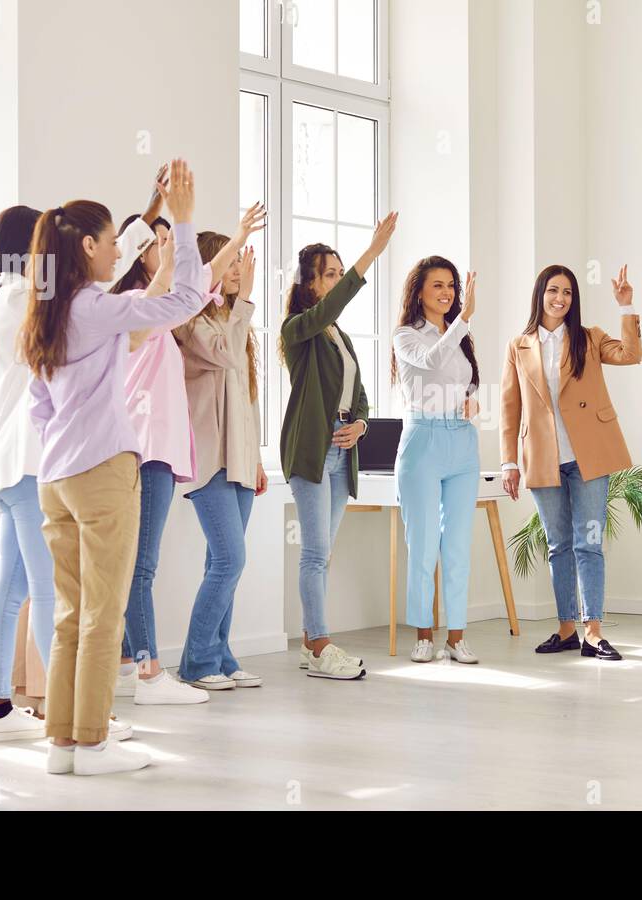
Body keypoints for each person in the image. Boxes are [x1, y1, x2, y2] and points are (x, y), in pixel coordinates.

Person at [23, 159, 205, 775]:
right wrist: (183, 223)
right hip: (101, 471)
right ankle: (94, 745)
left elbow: (39, 409)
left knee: (72, 614)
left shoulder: (45, 314)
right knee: (104, 613)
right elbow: (186, 297)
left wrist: (153, 208)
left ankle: (63, 745)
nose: (119, 252)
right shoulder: (96, 306)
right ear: (89, 247)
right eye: (111, 242)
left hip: (56, 478)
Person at [500, 264, 641, 661]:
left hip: (588, 456)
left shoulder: (589, 338)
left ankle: (592, 631)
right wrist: (509, 461)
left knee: (589, 544)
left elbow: (631, 354)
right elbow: (509, 409)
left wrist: (626, 306)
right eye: (553, 291)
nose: (560, 299)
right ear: (540, 294)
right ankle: (565, 629)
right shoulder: (519, 345)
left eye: (567, 293)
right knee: (558, 545)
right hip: (543, 458)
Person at [279, 214, 398, 679]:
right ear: (309, 283)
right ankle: (323, 644)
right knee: (313, 553)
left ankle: (312, 643)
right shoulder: (299, 327)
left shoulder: (339, 337)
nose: (336, 280)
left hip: (339, 451)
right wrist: (371, 256)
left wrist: (362, 426)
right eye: (329, 273)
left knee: (322, 553)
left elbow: (359, 392)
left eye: (339, 272)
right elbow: (327, 311)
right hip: (309, 452)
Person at [172, 229, 269, 690]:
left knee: (221, 561)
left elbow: (247, 400)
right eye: (229, 262)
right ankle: (195, 662)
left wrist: (256, 460)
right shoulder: (190, 320)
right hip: (208, 458)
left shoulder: (234, 320)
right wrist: (245, 303)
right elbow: (223, 354)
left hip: (239, 460)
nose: (237, 270)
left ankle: (221, 656)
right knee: (231, 559)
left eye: (238, 262)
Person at [0, 204, 55, 742]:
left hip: (10, 463)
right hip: (26, 462)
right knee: (48, 590)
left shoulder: (5, 295)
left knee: (13, 587)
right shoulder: (23, 297)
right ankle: (66, 710)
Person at [391, 257, 482, 663]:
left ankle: (456, 636)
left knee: (459, 545)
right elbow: (430, 363)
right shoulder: (405, 336)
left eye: (451, 286)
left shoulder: (458, 334)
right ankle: (423, 634)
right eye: (437, 286)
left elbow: (465, 380)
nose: (446, 293)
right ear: (419, 292)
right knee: (424, 544)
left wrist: (471, 400)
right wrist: (464, 319)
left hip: (462, 444)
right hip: (422, 441)